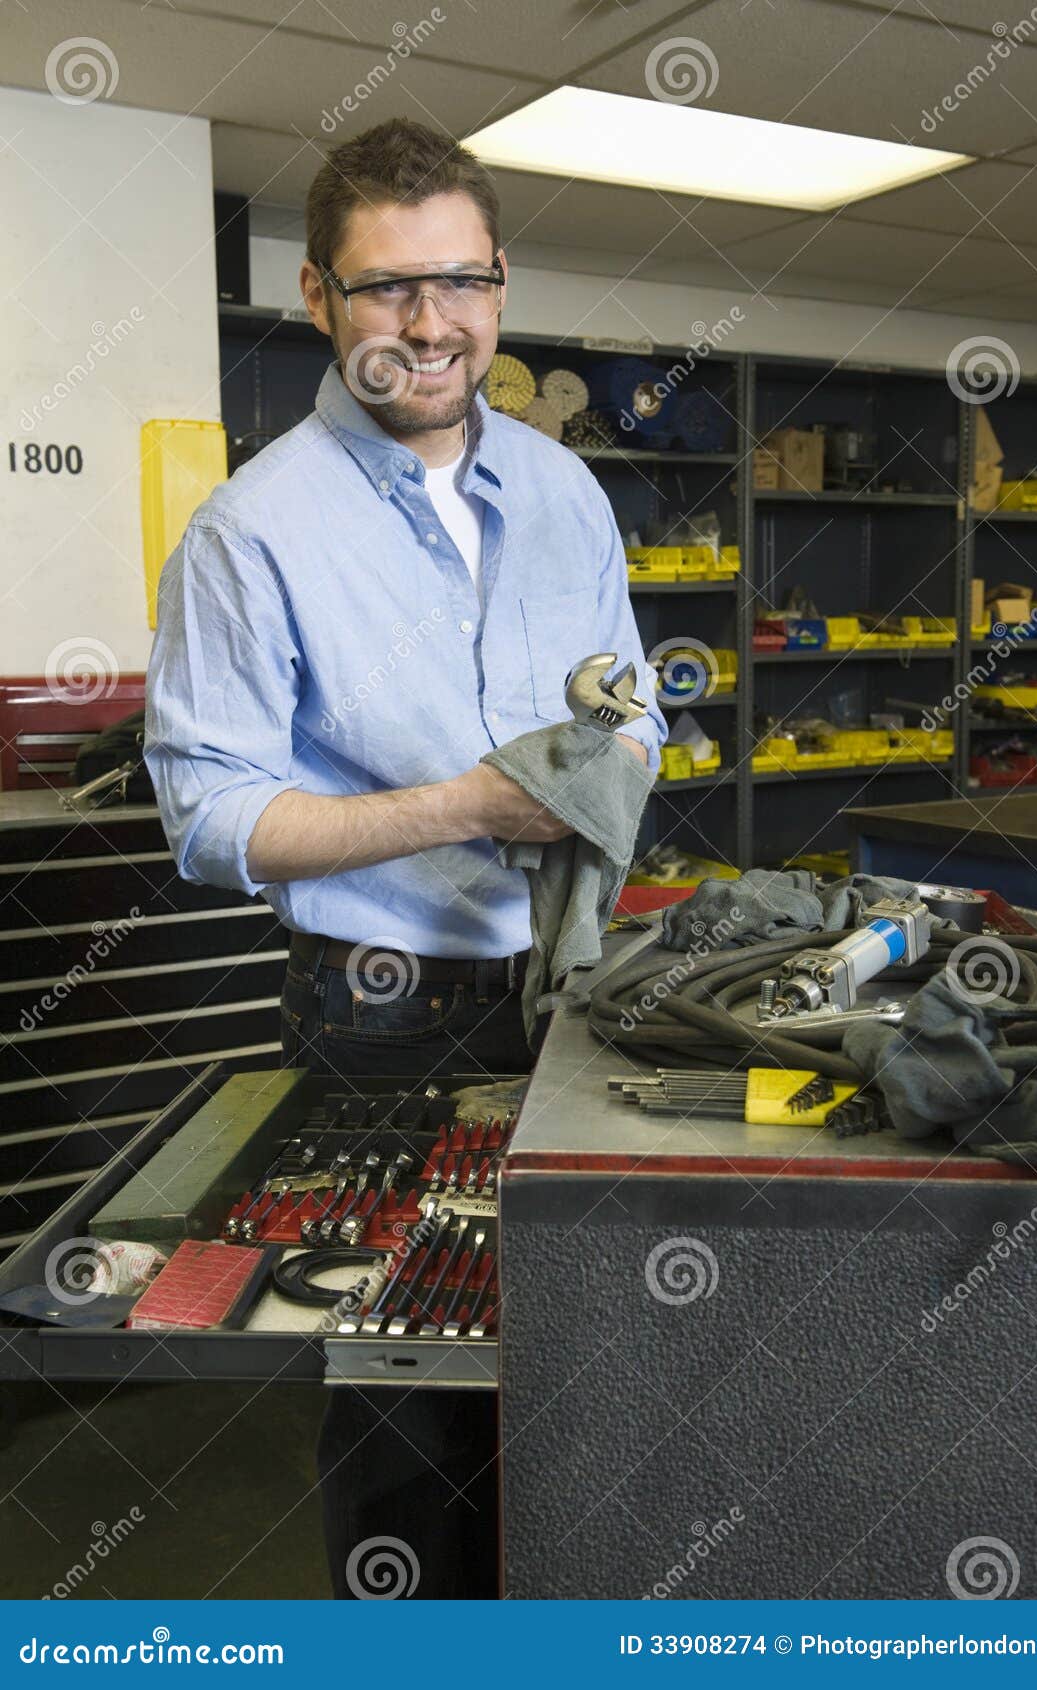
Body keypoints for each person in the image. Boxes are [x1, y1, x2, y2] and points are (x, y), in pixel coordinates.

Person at [144, 116, 666, 1599]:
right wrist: (463, 807)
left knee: (571, 1381)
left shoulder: (565, 491)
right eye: (384, 289)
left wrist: (617, 767)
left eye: (459, 281)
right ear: (316, 296)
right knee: (407, 1413)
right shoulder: (251, 532)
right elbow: (210, 819)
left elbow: (628, 702)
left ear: (499, 282)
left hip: (575, 996)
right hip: (381, 1011)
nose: (428, 324)